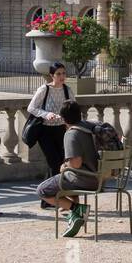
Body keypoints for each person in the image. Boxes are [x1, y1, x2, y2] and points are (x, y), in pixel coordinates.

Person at [36, 100, 101, 238]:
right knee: (68, 180)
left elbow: (76, 164)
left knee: (42, 190)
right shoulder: (90, 127)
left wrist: (64, 166)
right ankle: (75, 216)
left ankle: (77, 209)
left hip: (84, 179)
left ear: (63, 119)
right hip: (99, 178)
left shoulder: (71, 134)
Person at [27, 64, 73, 204]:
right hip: (45, 130)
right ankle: (55, 198)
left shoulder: (67, 90)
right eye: (58, 74)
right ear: (52, 75)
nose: (62, 77)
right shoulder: (44, 89)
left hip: (61, 130)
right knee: (54, 163)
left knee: (58, 163)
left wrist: (69, 121)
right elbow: (31, 108)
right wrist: (46, 114)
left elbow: (73, 107)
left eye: (63, 73)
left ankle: (47, 199)